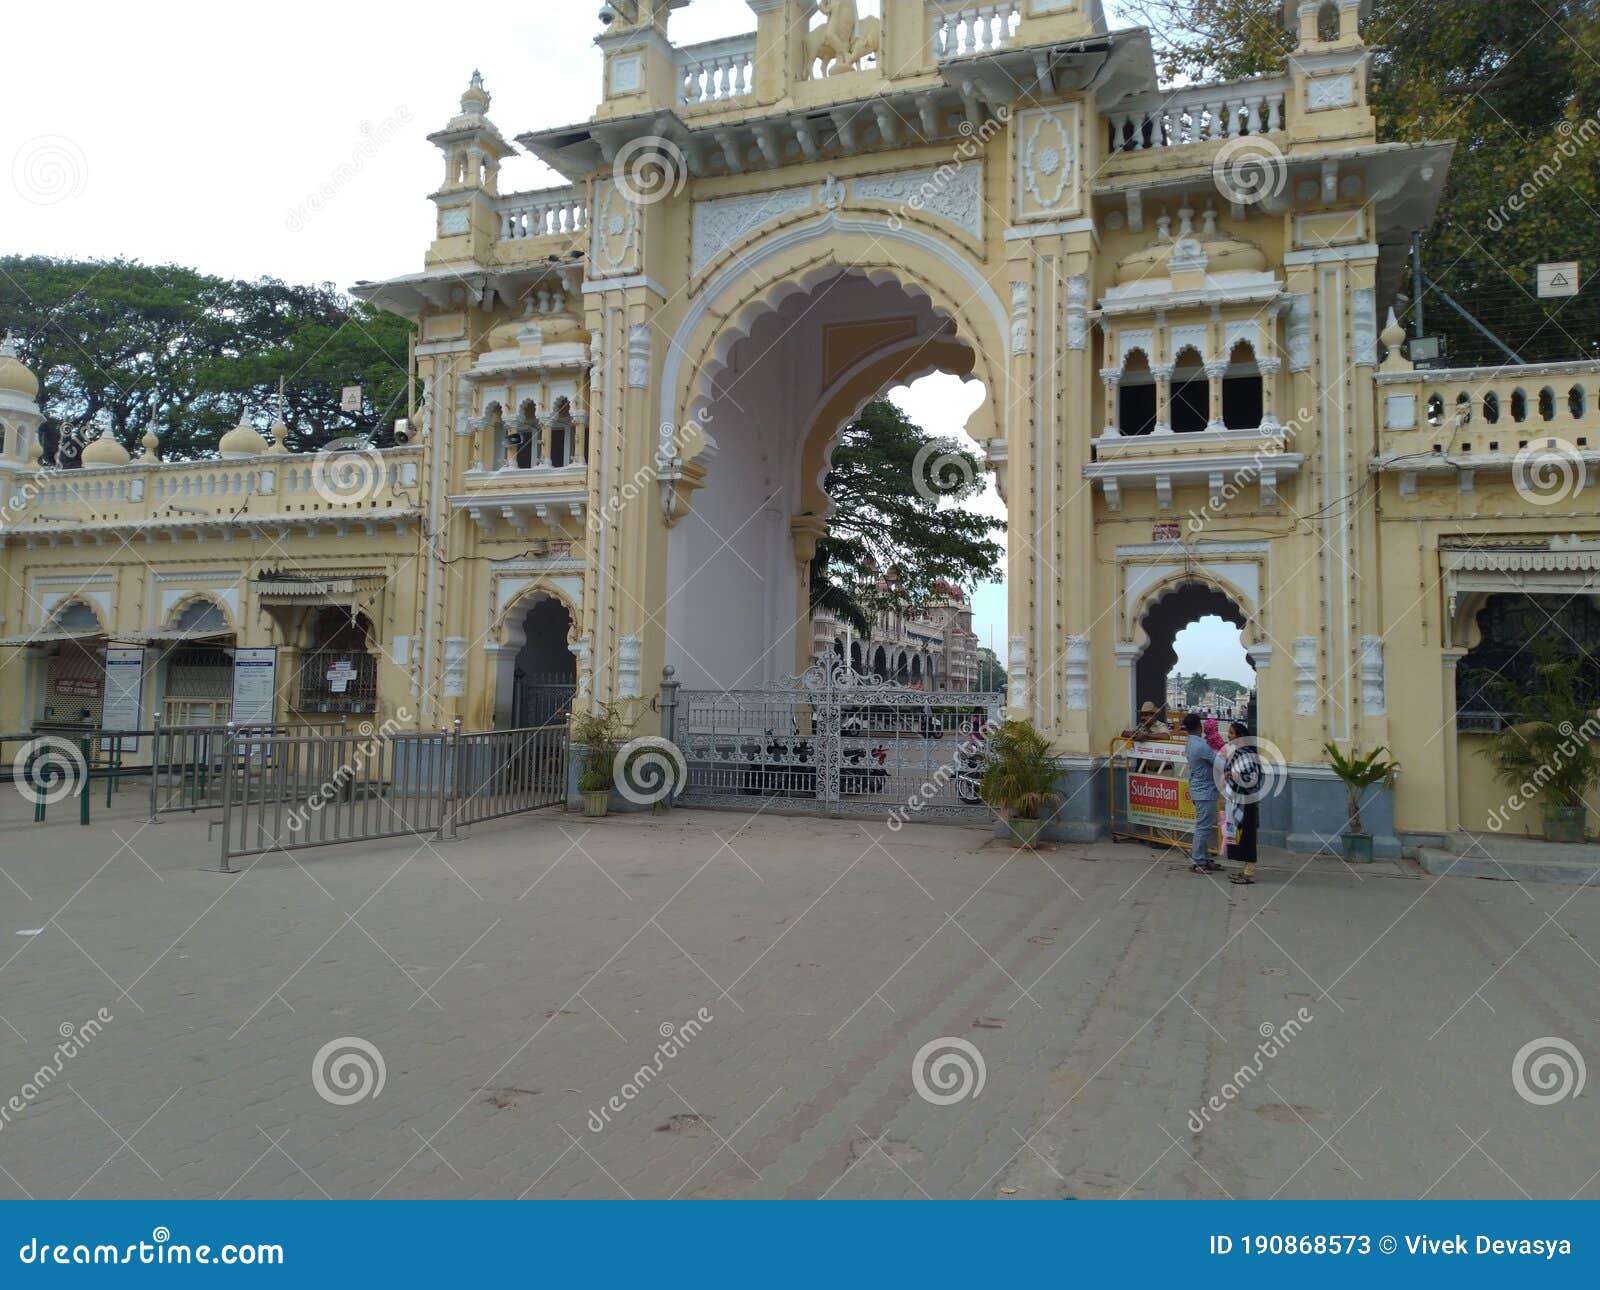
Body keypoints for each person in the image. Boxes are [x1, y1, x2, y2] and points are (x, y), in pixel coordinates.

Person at [1181, 713, 1222, 873]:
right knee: (1203, 827)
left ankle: (1203, 858)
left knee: (1204, 826)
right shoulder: (1201, 746)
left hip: (1200, 788)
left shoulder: (1192, 742)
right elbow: (1218, 761)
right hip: (1204, 791)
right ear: (1199, 726)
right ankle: (1198, 861)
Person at [1223, 721, 1260, 885]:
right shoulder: (1237, 752)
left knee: (1248, 837)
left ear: (1240, 737)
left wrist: (1234, 775)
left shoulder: (1248, 755)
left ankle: (1249, 873)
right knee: (1241, 835)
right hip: (1237, 800)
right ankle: (1246, 870)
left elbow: (1253, 778)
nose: (1228, 736)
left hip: (1247, 801)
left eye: (1231, 733)